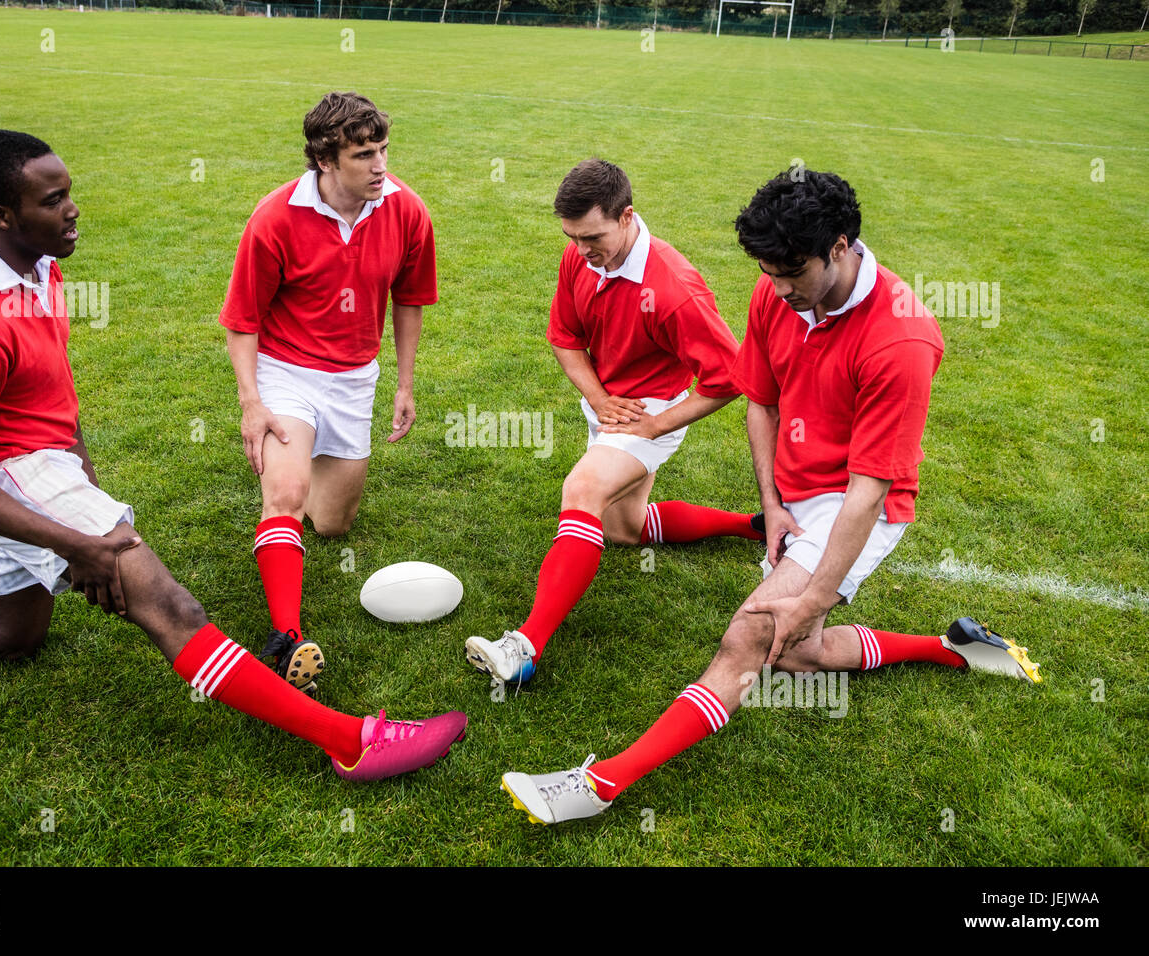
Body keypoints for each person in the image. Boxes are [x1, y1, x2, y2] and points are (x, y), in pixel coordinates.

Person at [0, 130, 464, 783]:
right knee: (172, 609)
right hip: (14, 477)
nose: (73, 210)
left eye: (69, 194)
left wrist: (82, 476)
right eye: (54, 200)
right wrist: (79, 542)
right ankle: (350, 741)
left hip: (42, 465)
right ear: (3, 216)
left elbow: (51, 391)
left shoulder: (35, 264)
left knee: (12, 636)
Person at [500, 169, 1041, 824]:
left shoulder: (901, 340)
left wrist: (809, 597)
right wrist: (774, 503)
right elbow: (759, 397)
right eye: (768, 272)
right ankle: (953, 648)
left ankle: (599, 786)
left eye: (792, 273)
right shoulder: (776, 290)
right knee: (801, 653)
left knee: (749, 639)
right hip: (797, 494)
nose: (777, 289)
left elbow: (869, 492)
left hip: (855, 507)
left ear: (839, 248)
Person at [465, 158, 762, 687]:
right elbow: (565, 339)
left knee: (581, 489)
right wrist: (601, 401)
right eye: (572, 237)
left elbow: (730, 377)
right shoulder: (579, 258)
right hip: (610, 406)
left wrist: (655, 424)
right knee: (623, 529)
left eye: (593, 236)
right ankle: (753, 526)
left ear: (627, 217)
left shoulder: (676, 290)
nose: (582, 250)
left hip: (649, 413)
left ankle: (524, 648)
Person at [220, 92, 437, 688]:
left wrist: (404, 382)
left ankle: (295, 469)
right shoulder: (275, 217)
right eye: (363, 155)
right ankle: (285, 637)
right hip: (285, 370)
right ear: (325, 159)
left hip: (353, 380)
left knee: (333, 525)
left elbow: (410, 298)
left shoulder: (407, 210)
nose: (379, 166)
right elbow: (241, 320)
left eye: (383, 150)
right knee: (286, 495)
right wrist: (252, 403)